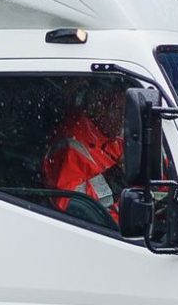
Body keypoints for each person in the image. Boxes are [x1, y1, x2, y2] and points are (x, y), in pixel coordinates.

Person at [43, 91, 127, 224]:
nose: (124, 118)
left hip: (122, 226)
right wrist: (118, 178)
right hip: (99, 232)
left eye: (127, 111)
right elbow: (68, 203)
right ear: (100, 108)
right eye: (119, 110)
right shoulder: (72, 146)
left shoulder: (114, 138)